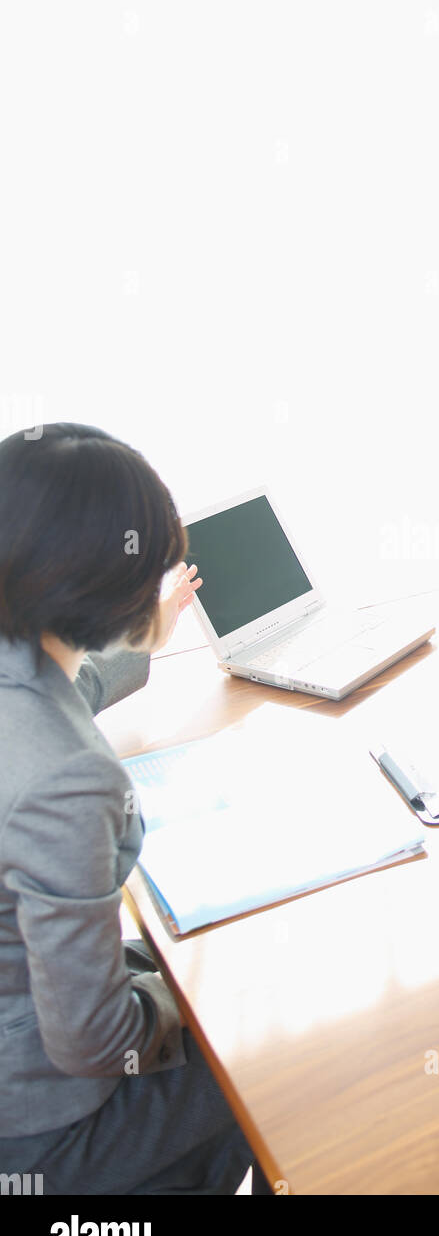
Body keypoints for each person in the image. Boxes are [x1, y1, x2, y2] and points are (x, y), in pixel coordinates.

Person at [0, 423, 268, 1193]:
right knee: (276, 1047)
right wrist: (196, 998)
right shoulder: (65, 781)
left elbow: (66, 692)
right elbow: (94, 1041)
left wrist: (149, 635)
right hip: (43, 1131)